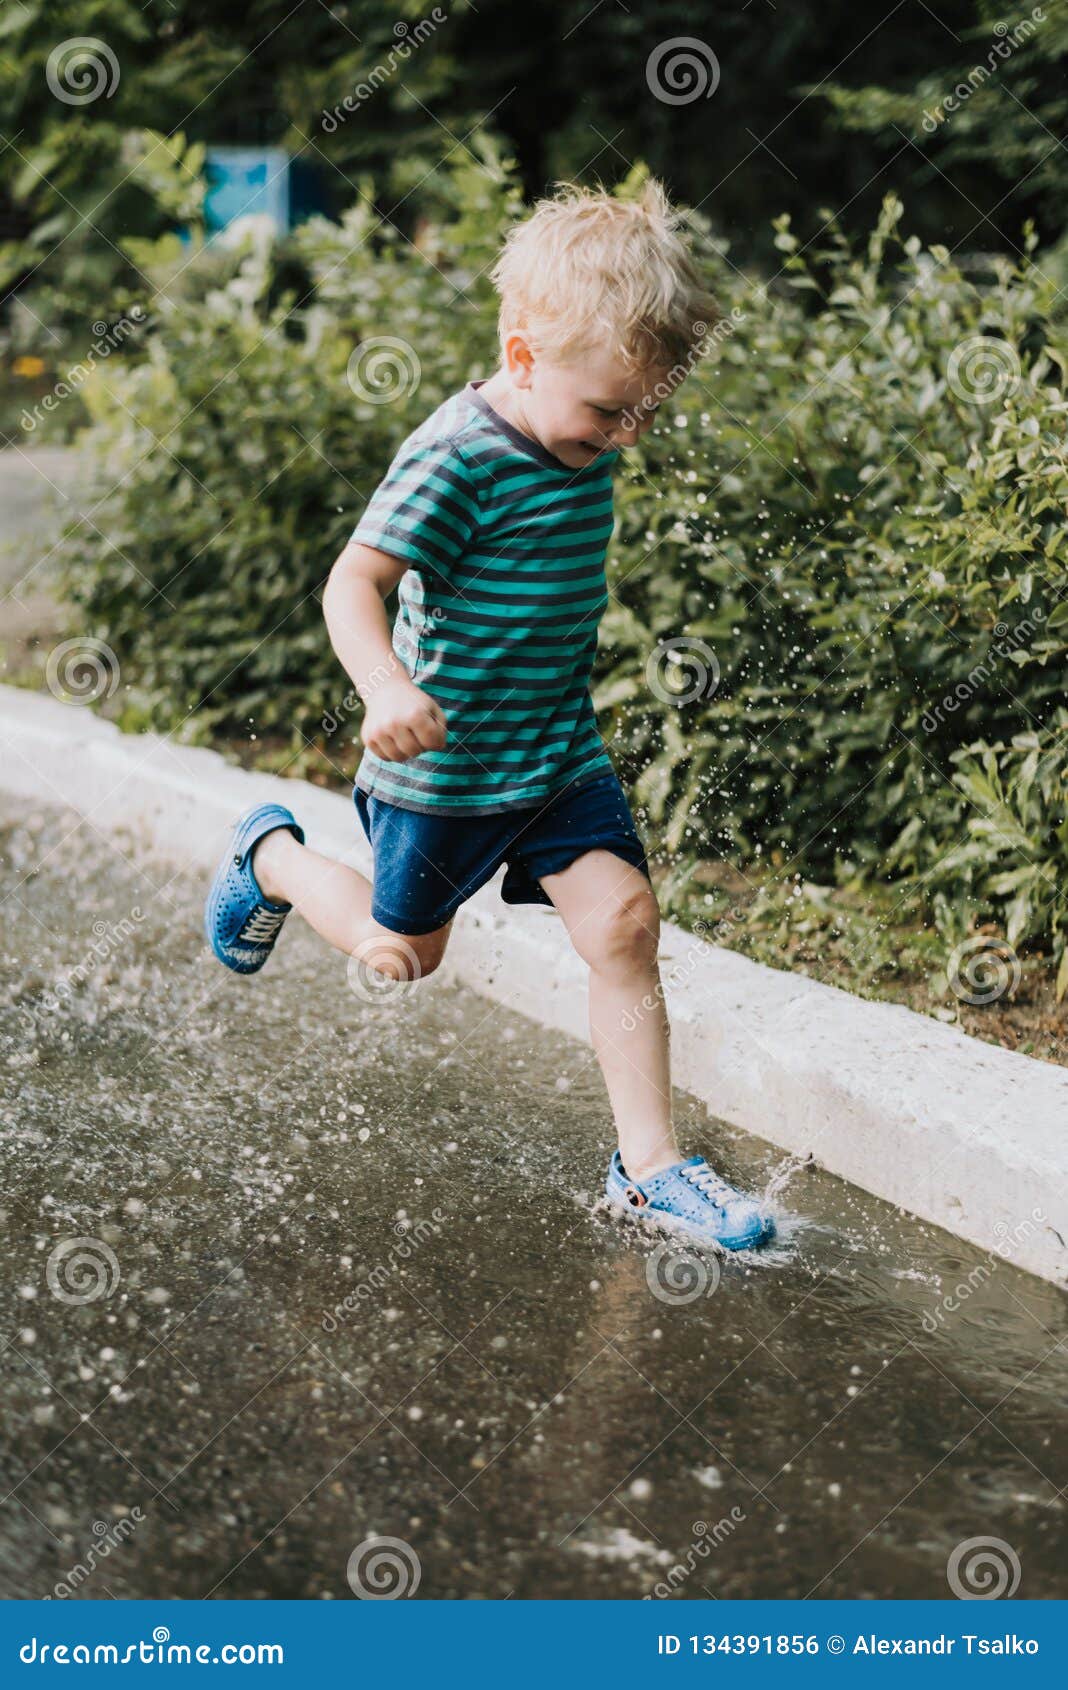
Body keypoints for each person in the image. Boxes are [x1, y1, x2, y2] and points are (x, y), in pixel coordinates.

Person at [205, 179, 774, 1252]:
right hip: (448, 771)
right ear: (521, 356)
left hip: (555, 750)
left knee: (625, 923)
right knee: (398, 956)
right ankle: (270, 856)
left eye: (648, 410)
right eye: (611, 411)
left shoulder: (585, 428)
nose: (628, 435)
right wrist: (384, 688)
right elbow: (350, 584)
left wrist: (607, 417)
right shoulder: (454, 455)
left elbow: (592, 448)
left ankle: (648, 1167)